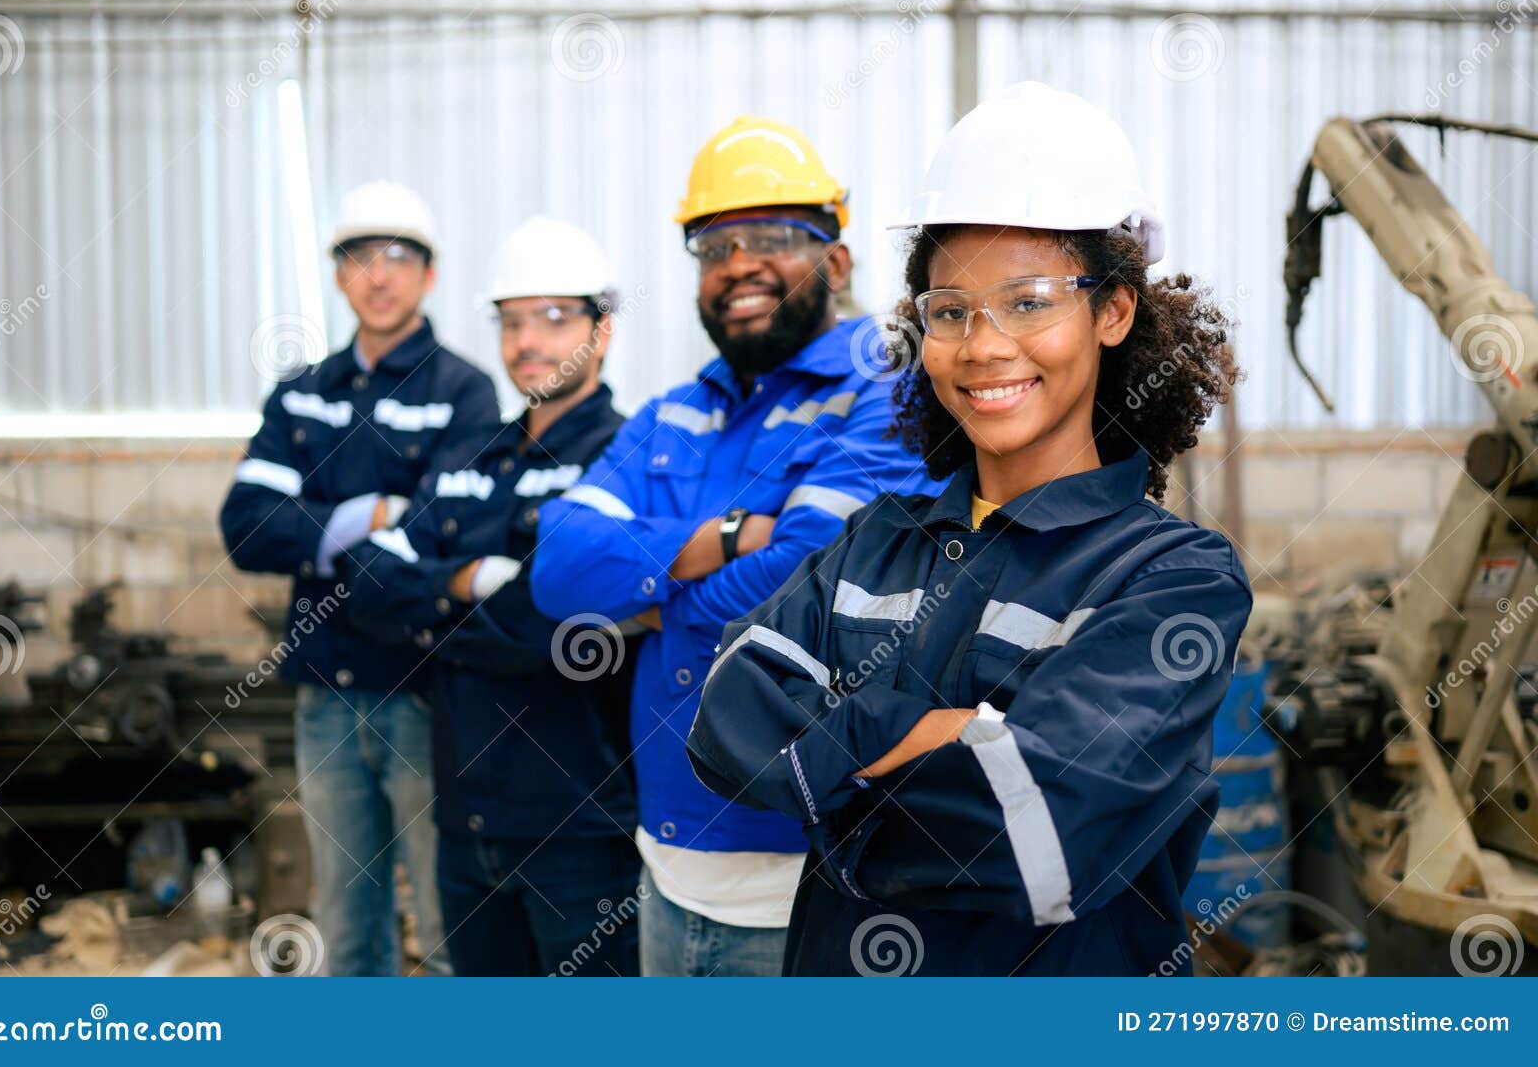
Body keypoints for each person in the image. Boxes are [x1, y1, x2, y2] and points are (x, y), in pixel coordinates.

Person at [688, 82, 1253, 976]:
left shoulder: (1172, 578)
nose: (983, 345)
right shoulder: (877, 537)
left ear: (1113, 311)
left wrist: (830, 769)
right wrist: (942, 733)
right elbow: (726, 722)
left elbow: (1041, 838)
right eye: (950, 311)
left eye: (1029, 301)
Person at [530, 116, 940, 976]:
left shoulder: (888, 390)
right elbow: (559, 567)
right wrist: (724, 537)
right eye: (716, 247)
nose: (740, 264)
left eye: (774, 238)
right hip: (667, 868)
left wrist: (651, 595)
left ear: (835, 260)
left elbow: (806, 584)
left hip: (810, 875)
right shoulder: (670, 412)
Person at [339, 216, 640, 976]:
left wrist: (436, 609)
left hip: (580, 832)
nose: (526, 342)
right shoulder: (474, 459)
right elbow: (367, 586)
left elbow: (553, 629)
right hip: (467, 827)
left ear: (600, 332)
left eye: (551, 318)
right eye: (510, 322)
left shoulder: (630, 457)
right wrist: (473, 583)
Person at [220, 181, 499, 976]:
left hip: (425, 698)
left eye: (398, 257)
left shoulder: (465, 393)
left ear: (429, 274)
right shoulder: (303, 393)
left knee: (447, 928)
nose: (378, 275)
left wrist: (314, 522)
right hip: (326, 702)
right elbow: (244, 527)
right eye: (359, 257)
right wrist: (365, 515)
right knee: (348, 929)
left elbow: (445, 535)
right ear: (340, 275)